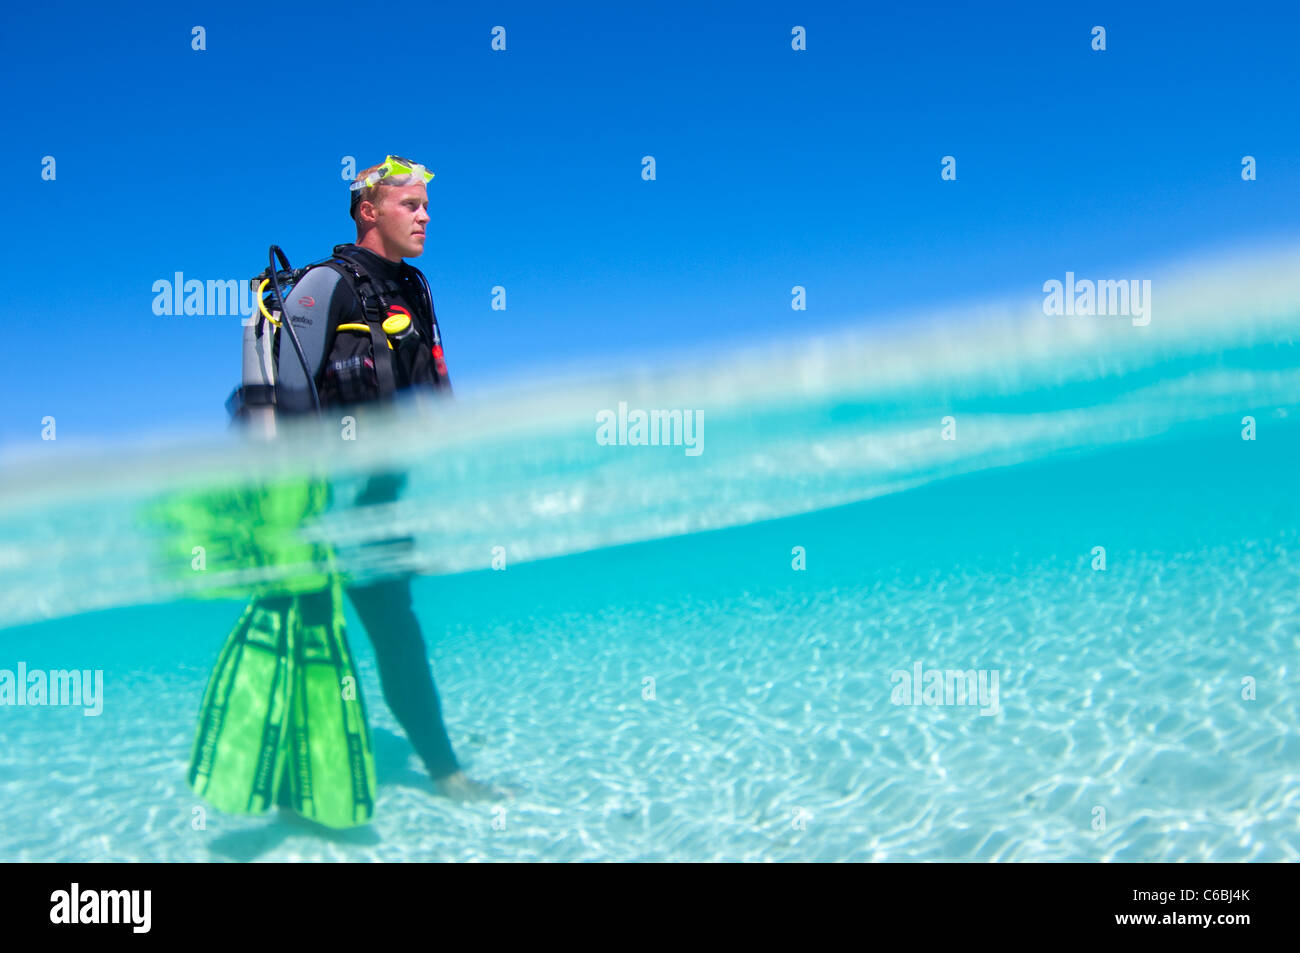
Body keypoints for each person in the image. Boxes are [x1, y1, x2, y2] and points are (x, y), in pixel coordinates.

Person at [200, 156, 506, 818]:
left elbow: (433, 405)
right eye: (411, 205)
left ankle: (445, 770)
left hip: (380, 503)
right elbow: (278, 402)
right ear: (370, 211)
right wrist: (285, 521)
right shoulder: (321, 287)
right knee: (313, 648)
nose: (426, 216)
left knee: (400, 637)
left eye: (427, 205)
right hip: (315, 505)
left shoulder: (414, 291)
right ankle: (291, 790)